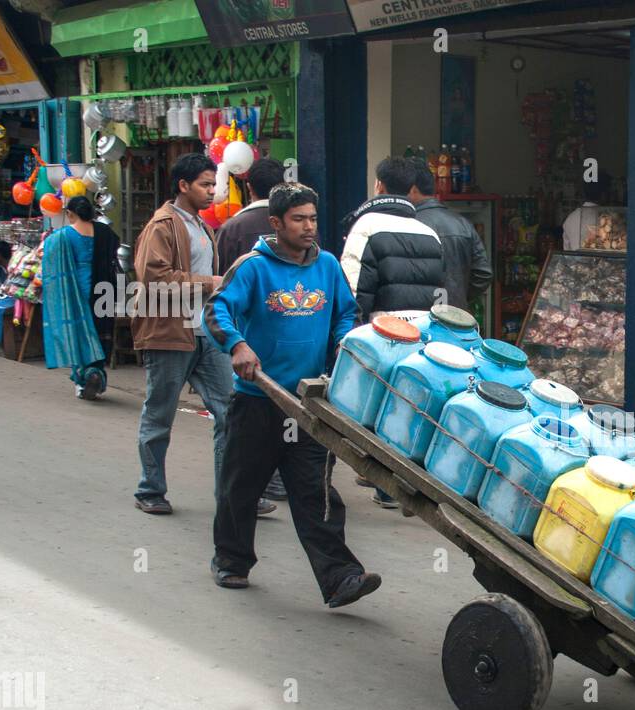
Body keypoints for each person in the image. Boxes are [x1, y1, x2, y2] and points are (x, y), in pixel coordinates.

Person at [203, 183, 380, 609]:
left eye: (313, 219)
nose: (308, 227)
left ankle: (340, 577)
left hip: (308, 402)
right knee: (240, 487)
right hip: (257, 399)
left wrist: (342, 347)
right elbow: (217, 309)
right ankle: (232, 560)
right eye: (298, 219)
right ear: (276, 223)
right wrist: (238, 345)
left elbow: (343, 313)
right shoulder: (252, 268)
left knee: (315, 492)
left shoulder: (328, 267)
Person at [130, 152, 274, 518]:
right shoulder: (162, 225)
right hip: (168, 333)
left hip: (206, 332)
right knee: (159, 414)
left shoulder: (201, 226)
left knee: (230, 411)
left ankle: (234, 494)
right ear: (183, 186)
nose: (213, 191)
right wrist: (208, 282)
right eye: (205, 185)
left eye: (214, 184)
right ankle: (150, 489)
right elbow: (154, 279)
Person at [217, 157, 289, 503]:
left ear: (249, 187)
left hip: (249, 338)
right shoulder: (292, 227)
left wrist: (234, 341)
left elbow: (222, 291)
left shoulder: (233, 227)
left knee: (253, 407)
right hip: (290, 330)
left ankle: (256, 483)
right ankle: (276, 480)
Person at [339, 155, 444, 318]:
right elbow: (440, 295)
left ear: (379, 186)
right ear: (411, 190)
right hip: (423, 334)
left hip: (381, 336)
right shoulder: (430, 234)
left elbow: (354, 292)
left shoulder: (366, 225)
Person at [40, 196, 120, 401]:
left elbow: (49, 262)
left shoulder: (63, 236)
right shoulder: (106, 232)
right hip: (105, 289)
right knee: (100, 330)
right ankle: (97, 372)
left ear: (70, 214)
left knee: (79, 333)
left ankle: (84, 377)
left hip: (78, 290)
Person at [408, 159, 492, 310]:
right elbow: (483, 273)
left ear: (413, 189)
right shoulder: (463, 224)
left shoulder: (407, 224)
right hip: (456, 316)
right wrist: (458, 295)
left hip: (419, 318)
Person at [216, 157, 286, 269]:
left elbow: (219, 274)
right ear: (283, 186)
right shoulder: (303, 225)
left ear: (249, 187)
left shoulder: (231, 229)